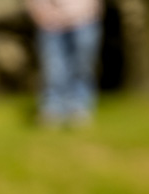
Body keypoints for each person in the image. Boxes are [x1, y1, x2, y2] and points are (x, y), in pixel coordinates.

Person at [27, 0, 104, 128]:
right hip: (49, 20)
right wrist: (37, 10)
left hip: (84, 18)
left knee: (83, 67)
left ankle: (79, 108)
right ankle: (53, 108)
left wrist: (92, 10)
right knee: (53, 69)